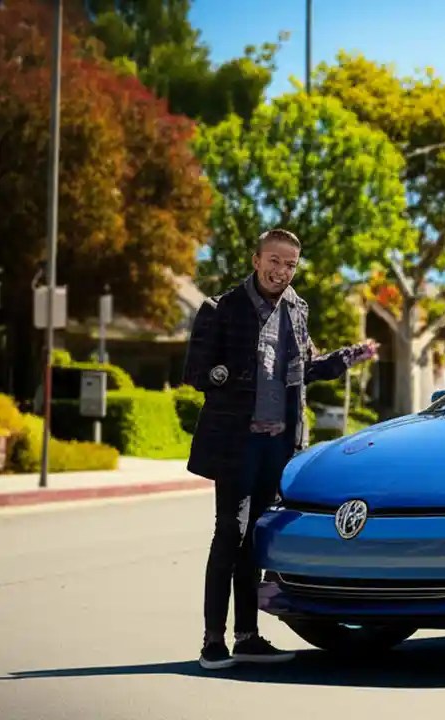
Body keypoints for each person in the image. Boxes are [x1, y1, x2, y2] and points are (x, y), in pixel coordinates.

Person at [182, 228, 379, 670]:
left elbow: (305, 369)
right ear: (256, 260)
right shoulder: (221, 309)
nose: (281, 271)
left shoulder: (297, 309)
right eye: (274, 260)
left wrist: (350, 356)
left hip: (279, 444)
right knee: (229, 534)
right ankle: (214, 641)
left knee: (257, 540)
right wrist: (230, 374)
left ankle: (248, 636)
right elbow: (196, 372)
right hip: (237, 442)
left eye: (290, 264)